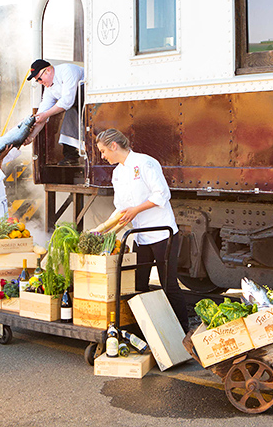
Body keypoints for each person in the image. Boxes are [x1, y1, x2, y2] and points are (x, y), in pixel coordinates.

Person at [96, 128, 189, 332]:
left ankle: (182, 329)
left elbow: (162, 194)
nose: (103, 156)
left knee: (169, 285)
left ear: (114, 146)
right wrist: (102, 229)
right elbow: (120, 208)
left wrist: (137, 209)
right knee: (138, 284)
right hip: (141, 236)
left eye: (103, 151)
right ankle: (144, 329)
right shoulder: (117, 173)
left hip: (162, 233)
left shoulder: (145, 163)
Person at [23, 59, 85, 165]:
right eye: (37, 81)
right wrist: (31, 136)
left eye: (40, 79)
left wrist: (45, 115)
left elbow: (67, 101)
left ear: (48, 70)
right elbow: (42, 115)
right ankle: (71, 155)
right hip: (76, 105)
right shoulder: (50, 89)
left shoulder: (67, 70)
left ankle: (73, 155)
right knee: (70, 112)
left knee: (70, 110)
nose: (40, 82)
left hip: (86, 96)